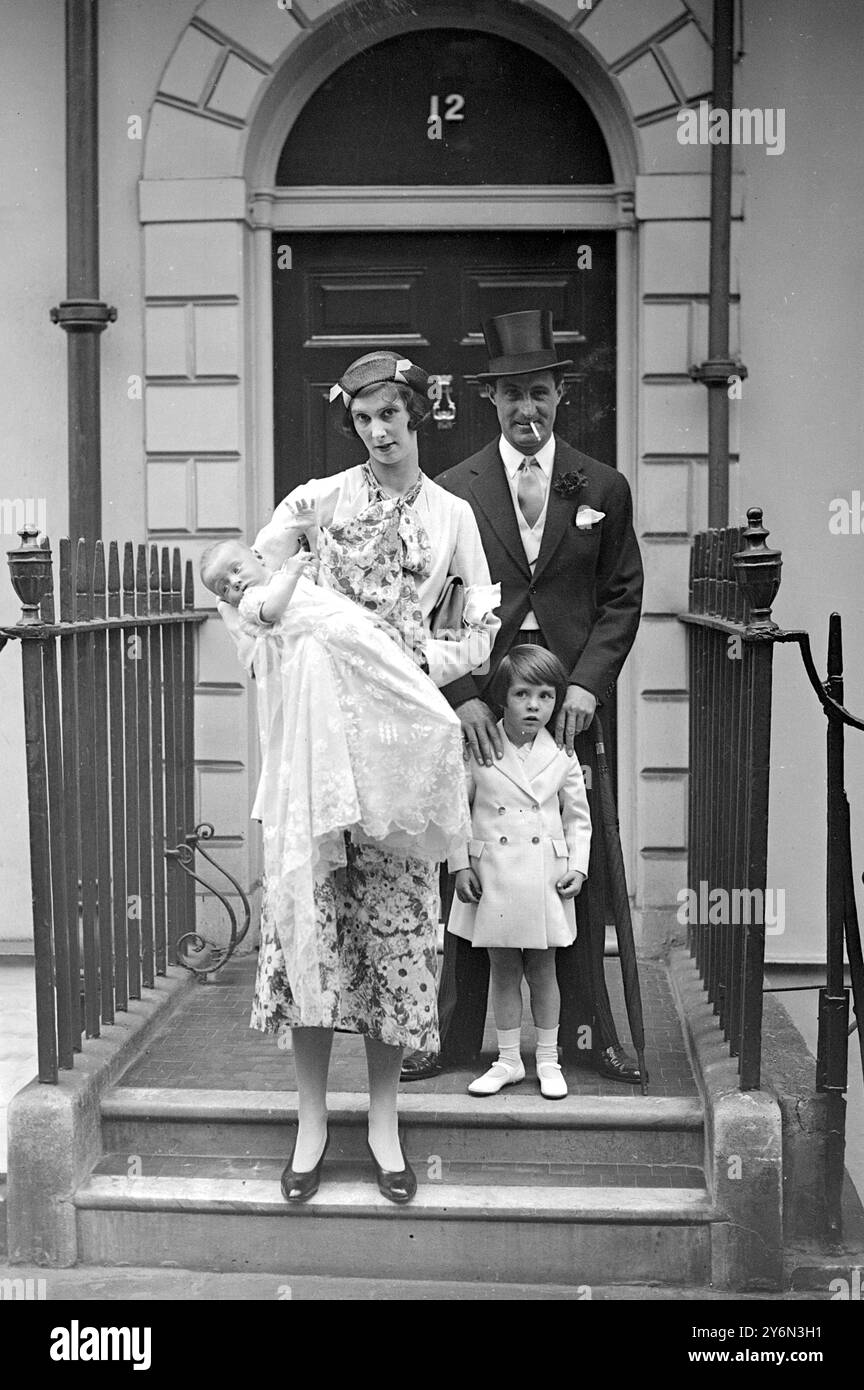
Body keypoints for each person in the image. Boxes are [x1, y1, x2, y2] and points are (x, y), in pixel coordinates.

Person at [245, 350, 499, 1197]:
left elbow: (475, 622)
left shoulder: (453, 515)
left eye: (393, 414)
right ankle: (312, 1122)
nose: (380, 431)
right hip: (319, 744)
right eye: (364, 417)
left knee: (392, 933)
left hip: (395, 746)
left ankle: (385, 1121)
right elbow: (249, 583)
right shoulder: (317, 501)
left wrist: (413, 653)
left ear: (419, 414)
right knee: (311, 929)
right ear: (349, 421)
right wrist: (292, 623)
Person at [435, 310, 645, 1085]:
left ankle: (588, 1035)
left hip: (569, 710)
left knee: (573, 865)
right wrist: (463, 693)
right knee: (467, 860)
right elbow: (435, 604)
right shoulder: (455, 491)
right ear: (491, 400)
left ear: (561, 395)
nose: (527, 409)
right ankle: (457, 1038)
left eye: (540, 393)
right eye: (512, 395)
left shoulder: (600, 486)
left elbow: (622, 595)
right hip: (483, 712)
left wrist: (587, 683)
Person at [448, 647, 591, 1100]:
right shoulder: (480, 749)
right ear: (502, 699)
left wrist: (580, 868)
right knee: (503, 969)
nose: (534, 705)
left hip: (545, 876)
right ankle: (508, 1059)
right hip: (493, 874)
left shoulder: (563, 754)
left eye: (546, 696)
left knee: (544, 968)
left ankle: (547, 1058)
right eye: (522, 694)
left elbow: (577, 819)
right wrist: (459, 865)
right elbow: (457, 812)